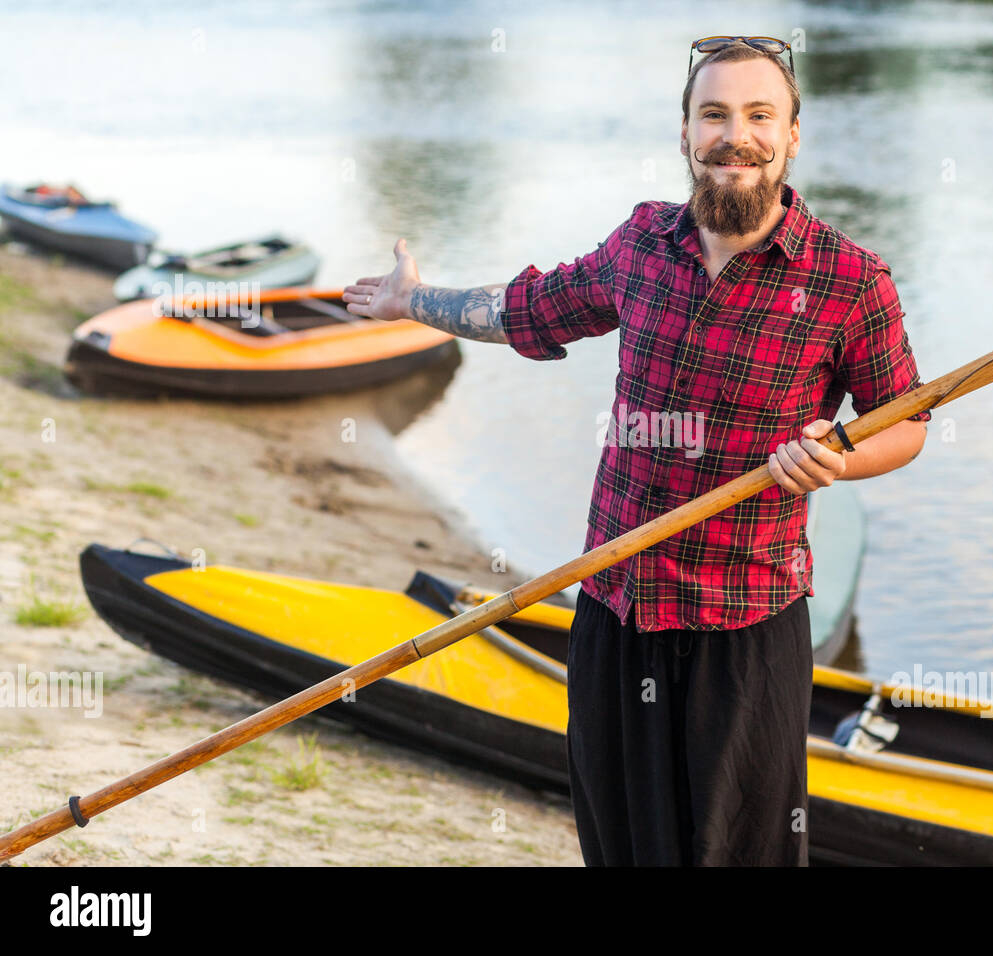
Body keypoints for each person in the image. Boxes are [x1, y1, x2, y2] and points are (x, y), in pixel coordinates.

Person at [343, 36, 929, 866]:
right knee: (621, 844)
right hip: (618, 602)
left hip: (748, 622)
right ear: (686, 133)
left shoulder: (850, 280)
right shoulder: (642, 244)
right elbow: (531, 311)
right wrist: (414, 300)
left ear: (793, 134)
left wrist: (839, 456)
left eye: (760, 115)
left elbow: (906, 422)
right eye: (715, 114)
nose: (737, 135)